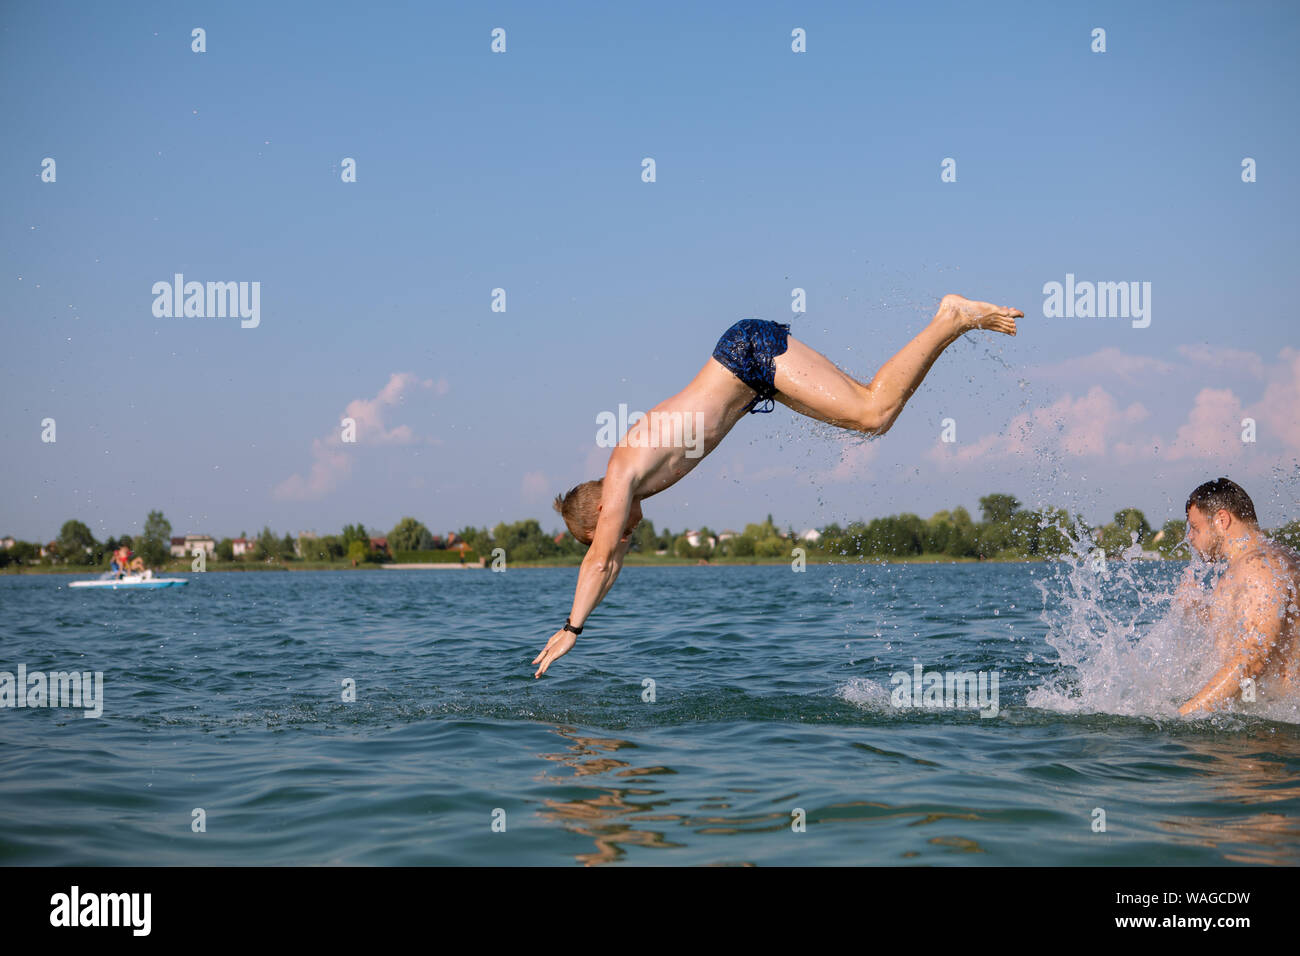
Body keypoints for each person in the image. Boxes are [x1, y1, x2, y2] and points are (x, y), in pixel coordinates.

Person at [533, 293, 1022, 677]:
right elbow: (608, 563)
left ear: (602, 515)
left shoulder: (622, 474)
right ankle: (952, 321)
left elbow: (599, 558)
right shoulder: (630, 486)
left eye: (615, 533)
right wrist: (581, 623)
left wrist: (571, 627)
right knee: (871, 419)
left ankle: (952, 318)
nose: (625, 540)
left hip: (748, 355)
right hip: (752, 376)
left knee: (873, 412)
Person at [1176, 478, 1300, 715]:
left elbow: (1254, 655)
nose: (1190, 537)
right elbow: (1240, 630)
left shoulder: (1260, 566)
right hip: (1267, 719)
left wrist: (1188, 713)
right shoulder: (1258, 562)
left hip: (1275, 736)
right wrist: (1195, 607)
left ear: (1221, 520)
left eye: (1195, 527)